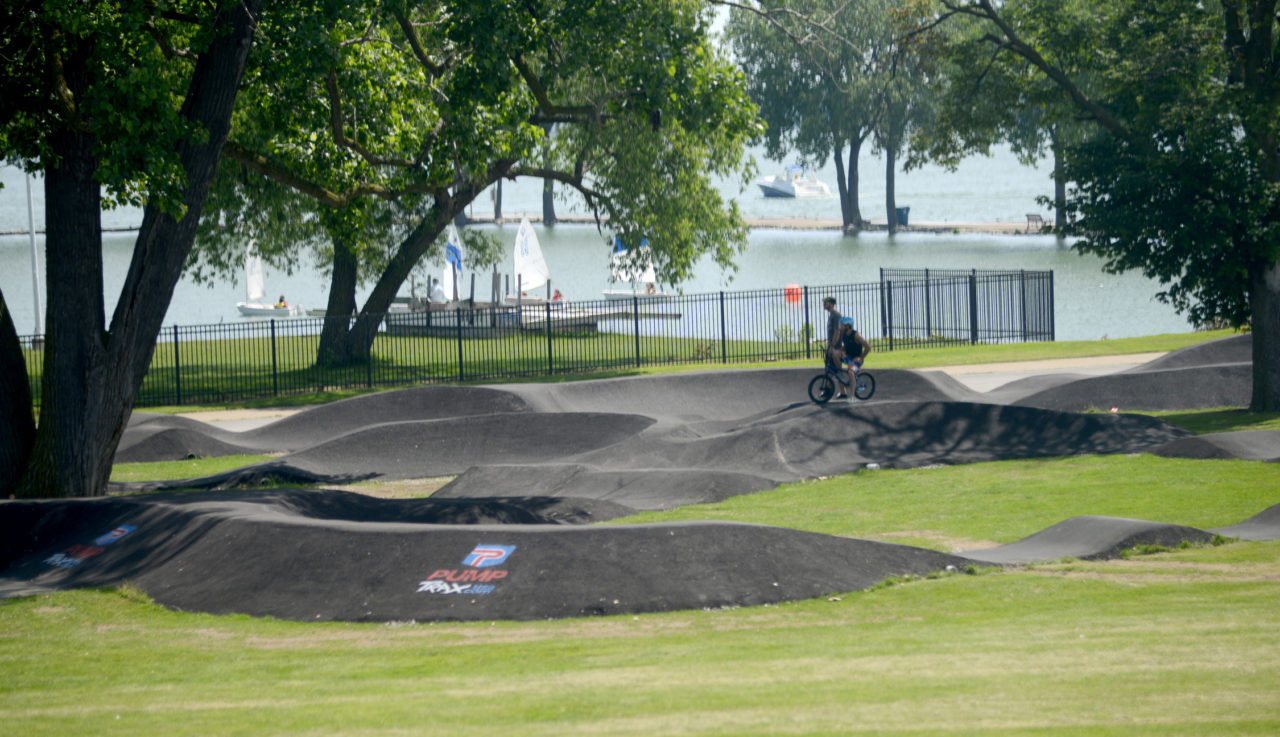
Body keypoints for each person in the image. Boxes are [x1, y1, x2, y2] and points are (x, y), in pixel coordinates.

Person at [831, 316, 871, 399]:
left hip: (856, 360)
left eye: (842, 325)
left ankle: (852, 396)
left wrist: (861, 357)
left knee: (850, 372)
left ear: (847, 326)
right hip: (849, 357)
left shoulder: (856, 335)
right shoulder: (844, 334)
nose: (840, 327)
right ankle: (840, 373)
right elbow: (847, 346)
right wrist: (838, 350)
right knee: (835, 353)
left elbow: (868, 347)